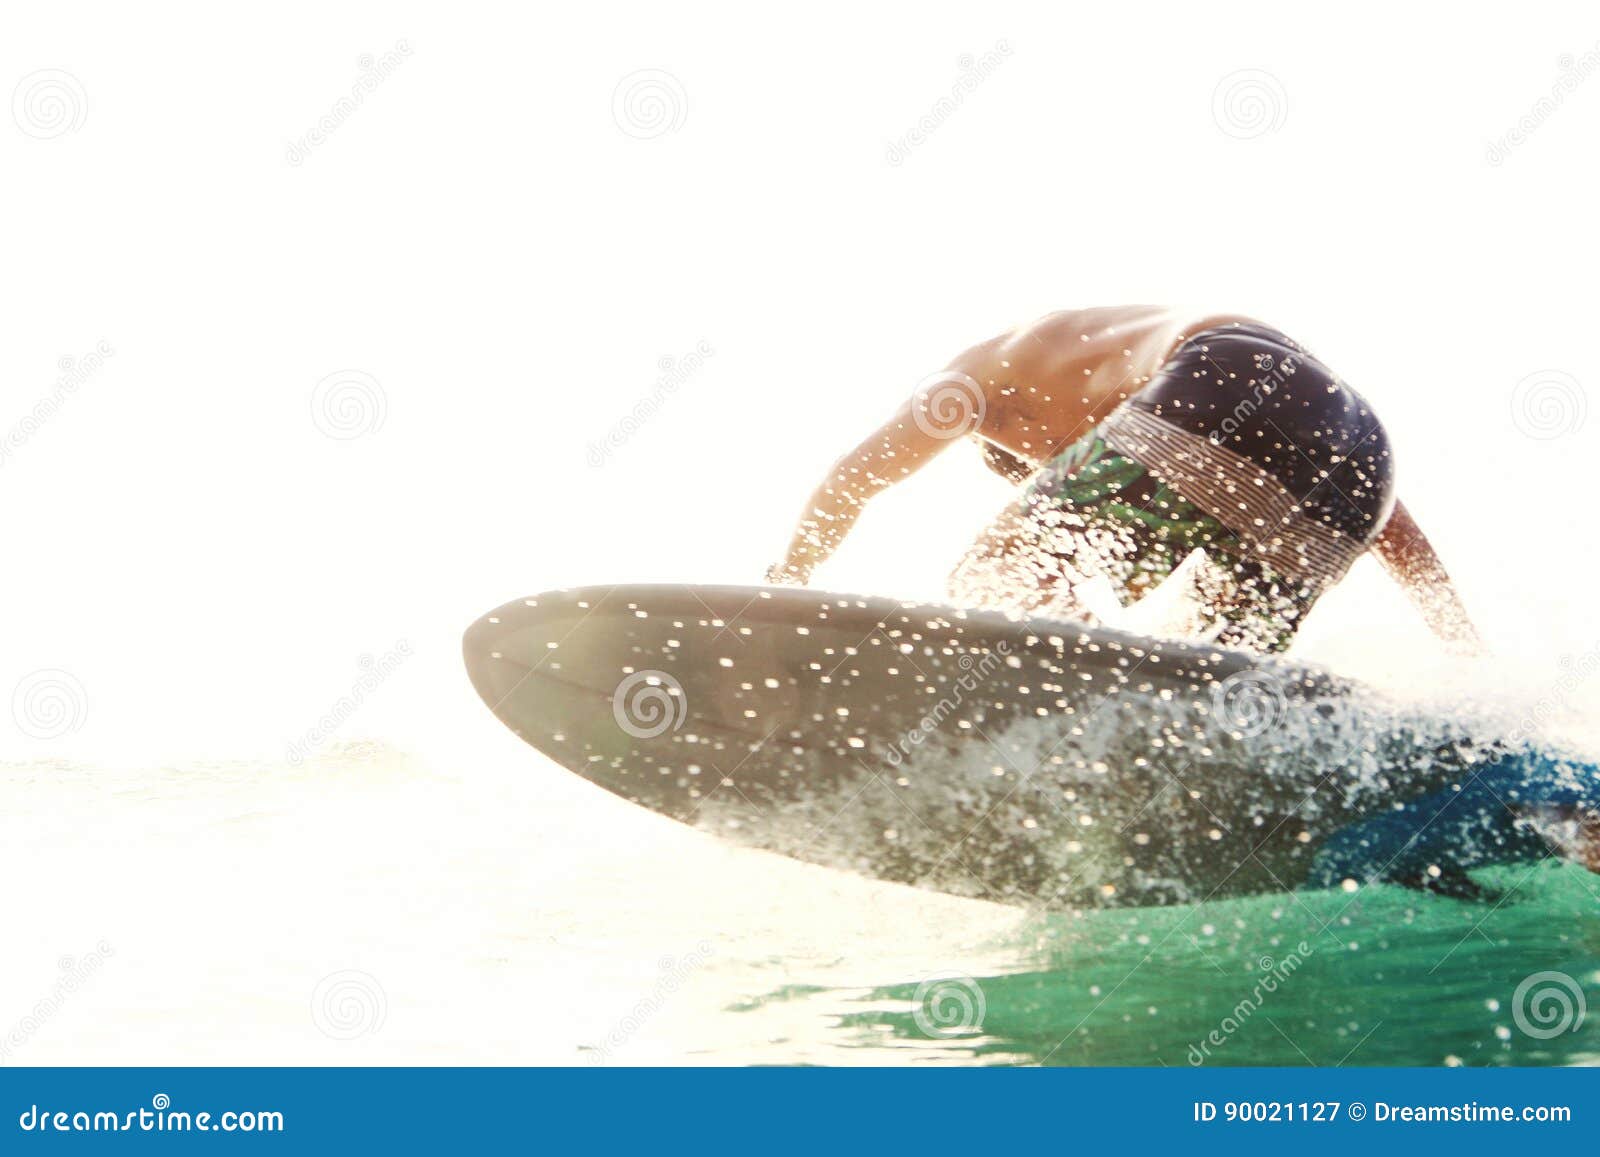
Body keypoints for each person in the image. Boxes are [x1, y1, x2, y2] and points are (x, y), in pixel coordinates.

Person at [767, 305, 1480, 655]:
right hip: (1361, 463)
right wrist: (1468, 655)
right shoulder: (1105, 364)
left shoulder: (976, 381)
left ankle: (1078, 686)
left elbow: (852, 479)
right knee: (1203, 678)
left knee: (993, 576)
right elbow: (1387, 521)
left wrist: (787, 580)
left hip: (1222, 378)